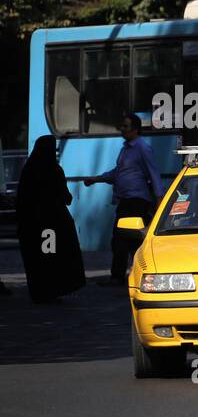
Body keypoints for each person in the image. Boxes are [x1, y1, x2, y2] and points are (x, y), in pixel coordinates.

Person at [83, 114, 163, 285]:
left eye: (126, 126)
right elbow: (117, 173)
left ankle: (119, 277)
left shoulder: (142, 148)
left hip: (137, 201)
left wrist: (159, 201)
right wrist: (96, 179)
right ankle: (131, 275)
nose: (122, 129)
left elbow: (154, 175)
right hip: (126, 201)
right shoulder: (126, 149)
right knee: (128, 240)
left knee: (121, 239)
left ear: (135, 129)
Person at [17, 135, 86, 303]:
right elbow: (65, 197)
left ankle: (41, 291)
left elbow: (22, 198)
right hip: (51, 226)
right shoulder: (54, 170)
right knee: (50, 256)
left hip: (32, 224)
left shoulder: (29, 170)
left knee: (38, 258)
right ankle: (51, 291)